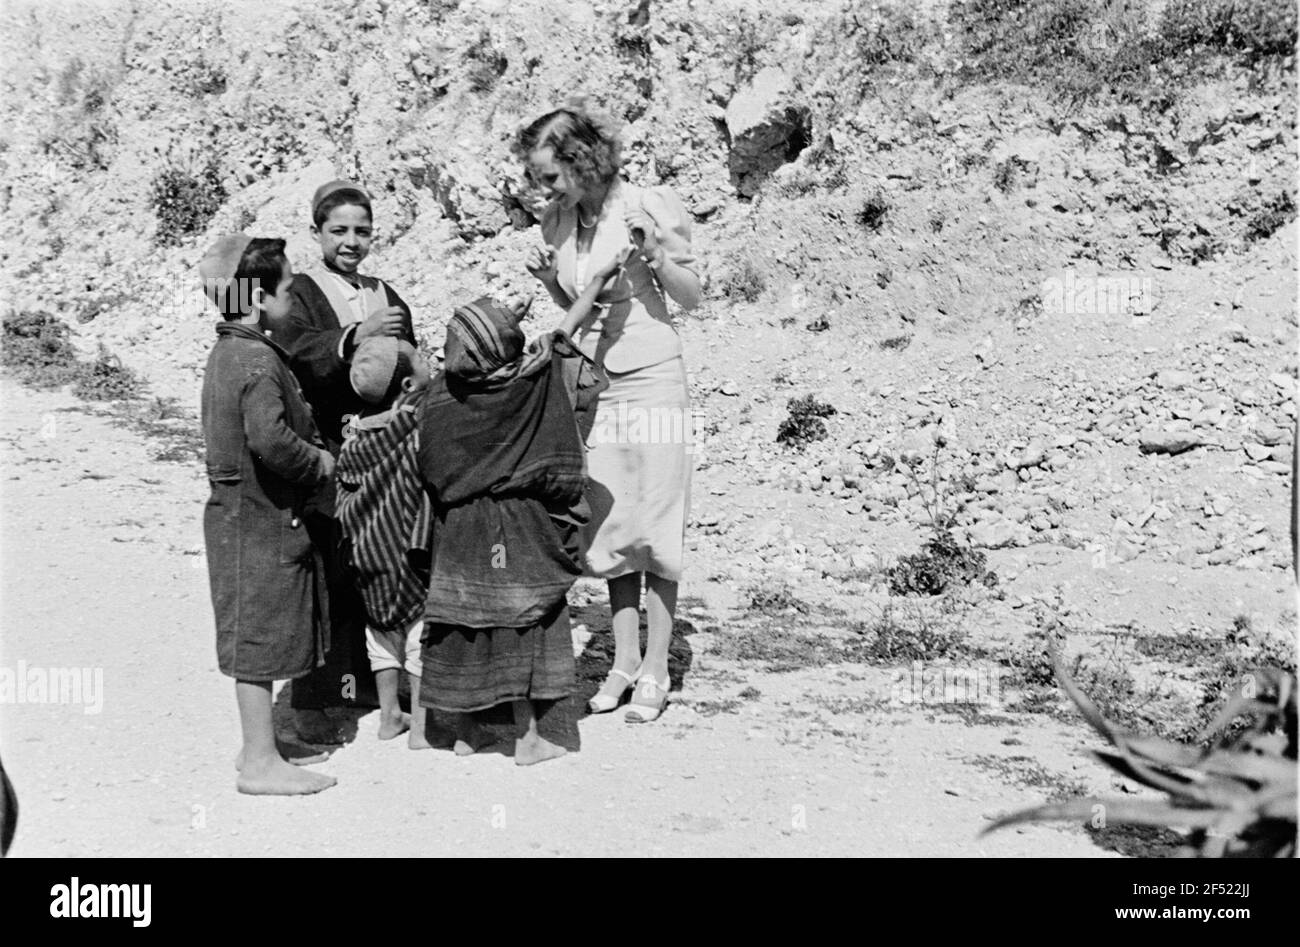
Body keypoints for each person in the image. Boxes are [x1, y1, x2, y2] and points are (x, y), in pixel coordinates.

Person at [516, 103, 702, 722]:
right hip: (600, 383)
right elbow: (582, 298)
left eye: (550, 175)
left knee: (657, 517)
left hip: (653, 376)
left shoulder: (648, 206)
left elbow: (693, 295)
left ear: (584, 161)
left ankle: (657, 665)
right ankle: (622, 661)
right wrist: (549, 283)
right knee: (612, 519)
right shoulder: (560, 221)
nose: (542, 189)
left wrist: (656, 259)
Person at [416, 270, 619, 765]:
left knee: (466, 625)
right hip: (518, 525)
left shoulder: (442, 395)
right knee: (522, 622)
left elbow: (431, 466)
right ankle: (528, 740)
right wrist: (592, 290)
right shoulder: (526, 387)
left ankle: (466, 733)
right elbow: (559, 344)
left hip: (458, 529)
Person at [276, 179, 417, 741]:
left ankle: (373, 678)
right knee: (330, 566)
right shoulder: (302, 292)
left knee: (379, 559)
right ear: (317, 234)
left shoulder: (388, 292)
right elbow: (299, 352)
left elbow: (408, 357)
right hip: (329, 446)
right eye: (339, 231)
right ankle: (320, 693)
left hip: (383, 450)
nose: (351, 241)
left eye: (362, 230)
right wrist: (355, 335)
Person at [198, 233, 337, 795]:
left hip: (244, 514)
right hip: (255, 518)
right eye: (285, 290)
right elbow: (271, 441)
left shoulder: (231, 351)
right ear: (256, 301)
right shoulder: (256, 359)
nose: (293, 300)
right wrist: (320, 463)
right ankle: (258, 762)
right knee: (256, 636)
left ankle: (261, 743)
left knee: (264, 623)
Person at [334, 336, 437, 749]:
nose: (427, 359)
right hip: (404, 549)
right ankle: (424, 729)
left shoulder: (355, 435)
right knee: (417, 635)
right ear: (408, 387)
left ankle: (390, 715)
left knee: (379, 635)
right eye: (420, 359)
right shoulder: (410, 425)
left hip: (367, 551)